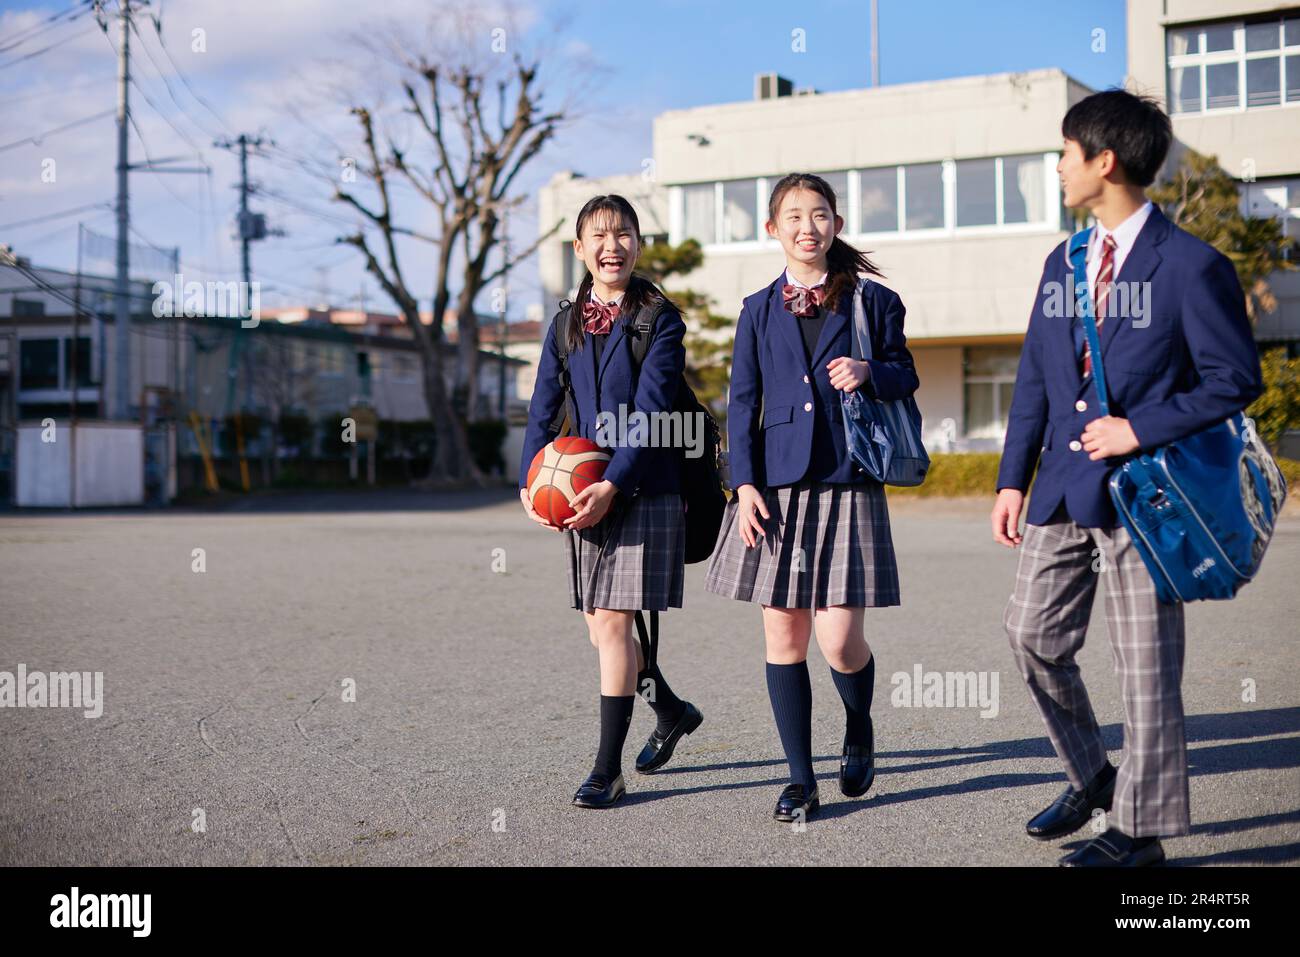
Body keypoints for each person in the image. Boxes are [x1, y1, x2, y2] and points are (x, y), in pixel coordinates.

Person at [993, 90, 1264, 866]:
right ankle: (1093, 774)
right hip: (1059, 487)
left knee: (1144, 665)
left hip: (1149, 495)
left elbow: (1232, 379)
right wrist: (1013, 477)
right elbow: (1037, 379)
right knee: (1031, 636)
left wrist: (1138, 428)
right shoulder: (1064, 259)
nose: (1058, 166)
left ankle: (1140, 833)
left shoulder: (1192, 266)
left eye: (1066, 153)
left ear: (1103, 162)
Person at [705, 173, 918, 823]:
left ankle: (858, 722)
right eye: (794, 215)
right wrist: (741, 484)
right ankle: (801, 779)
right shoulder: (756, 308)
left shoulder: (874, 303)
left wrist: (868, 371)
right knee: (783, 630)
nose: (808, 225)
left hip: (848, 481)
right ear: (772, 229)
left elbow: (905, 373)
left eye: (820, 214)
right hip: (774, 488)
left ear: (837, 224)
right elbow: (741, 405)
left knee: (839, 636)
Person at [519, 195, 704, 809]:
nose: (612, 245)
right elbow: (542, 409)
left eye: (623, 233)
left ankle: (607, 769)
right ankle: (670, 710)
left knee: (616, 625)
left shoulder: (660, 320)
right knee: (601, 630)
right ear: (579, 249)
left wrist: (613, 484)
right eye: (598, 235)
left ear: (638, 244)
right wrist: (531, 482)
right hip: (578, 491)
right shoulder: (564, 322)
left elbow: (653, 415)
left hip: (642, 487)